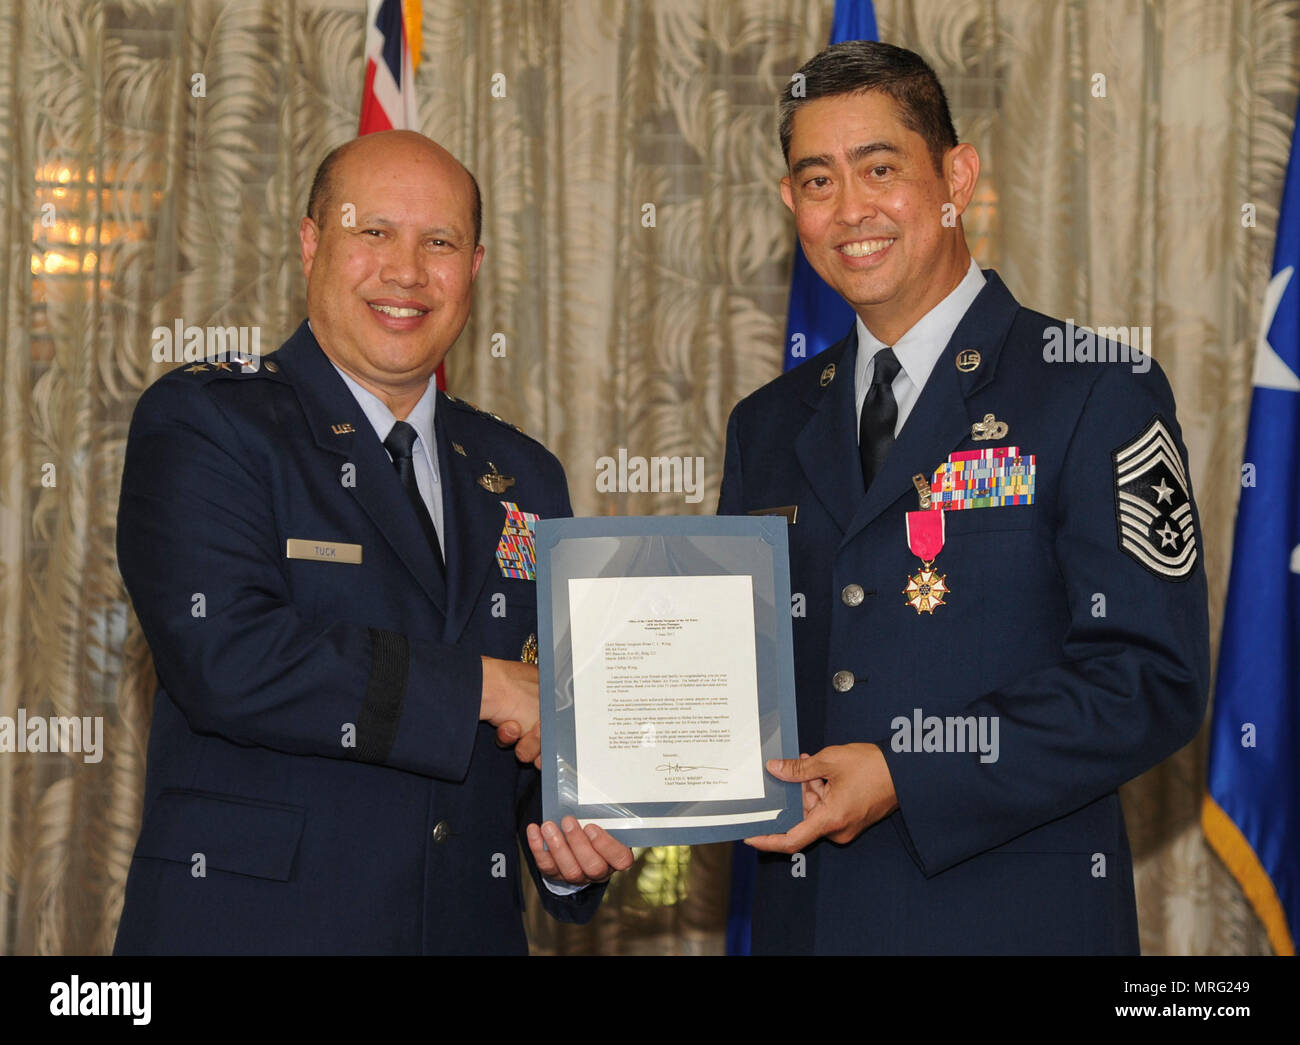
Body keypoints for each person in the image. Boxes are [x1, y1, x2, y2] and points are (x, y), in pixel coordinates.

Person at [721, 41, 1209, 954]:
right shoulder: (768, 423)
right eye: (817, 180)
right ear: (791, 204)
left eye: (880, 169)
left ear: (957, 175)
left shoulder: (1094, 388)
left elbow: (1151, 680)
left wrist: (911, 769)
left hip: (1010, 922)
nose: (851, 209)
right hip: (809, 922)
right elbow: (736, 680)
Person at [114, 130, 632, 955]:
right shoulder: (208, 421)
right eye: (374, 232)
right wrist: (487, 687)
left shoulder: (523, 474)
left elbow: (543, 727)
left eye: (440, 242)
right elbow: (231, 658)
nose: (406, 271)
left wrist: (571, 848)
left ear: (474, 267)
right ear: (312, 243)